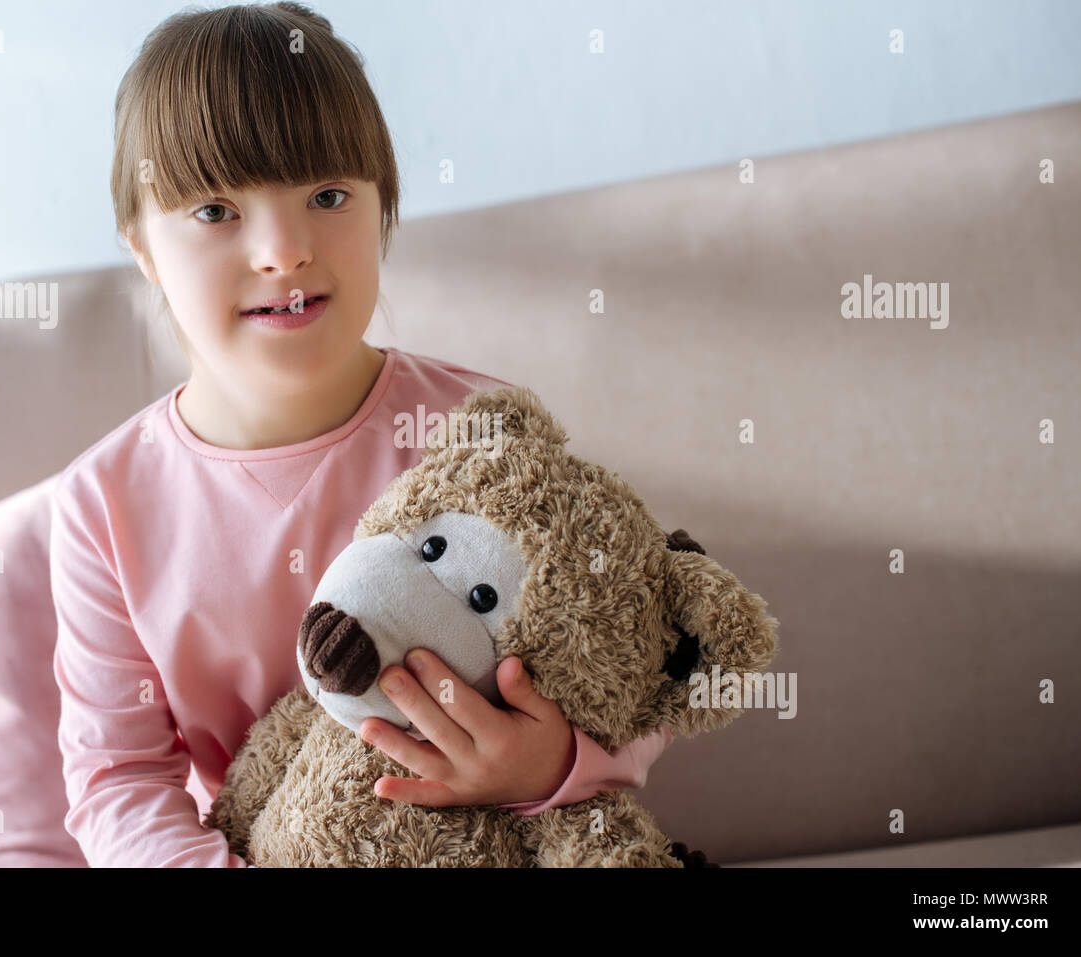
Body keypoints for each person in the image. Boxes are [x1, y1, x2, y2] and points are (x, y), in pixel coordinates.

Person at [50, 1, 671, 867]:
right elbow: (119, 778)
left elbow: (619, 661)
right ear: (143, 249)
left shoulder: (479, 435)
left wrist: (550, 763)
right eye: (215, 211)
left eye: (328, 195)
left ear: (385, 208)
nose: (284, 249)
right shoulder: (101, 504)